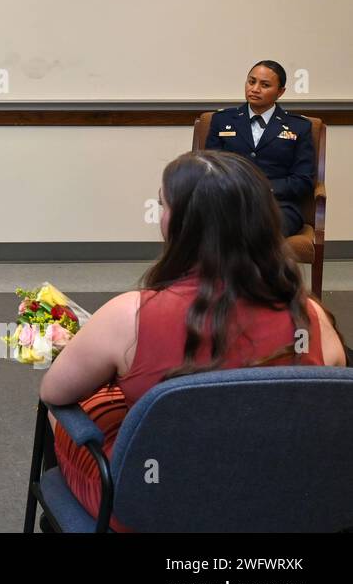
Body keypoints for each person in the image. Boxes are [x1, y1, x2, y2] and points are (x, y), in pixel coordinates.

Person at [40, 150, 345, 531]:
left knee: (64, 410)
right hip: (281, 500)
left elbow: (54, 391)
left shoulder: (129, 315)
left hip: (151, 506)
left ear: (181, 224)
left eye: (163, 204)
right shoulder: (311, 317)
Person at [205, 60, 314, 237]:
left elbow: (303, 180)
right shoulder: (222, 120)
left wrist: (262, 188)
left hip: (277, 204)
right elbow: (209, 168)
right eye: (251, 81)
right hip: (229, 201)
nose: (255, 89)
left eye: (265, 85)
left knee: (257, 230)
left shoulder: (299, 127)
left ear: (280, 92)